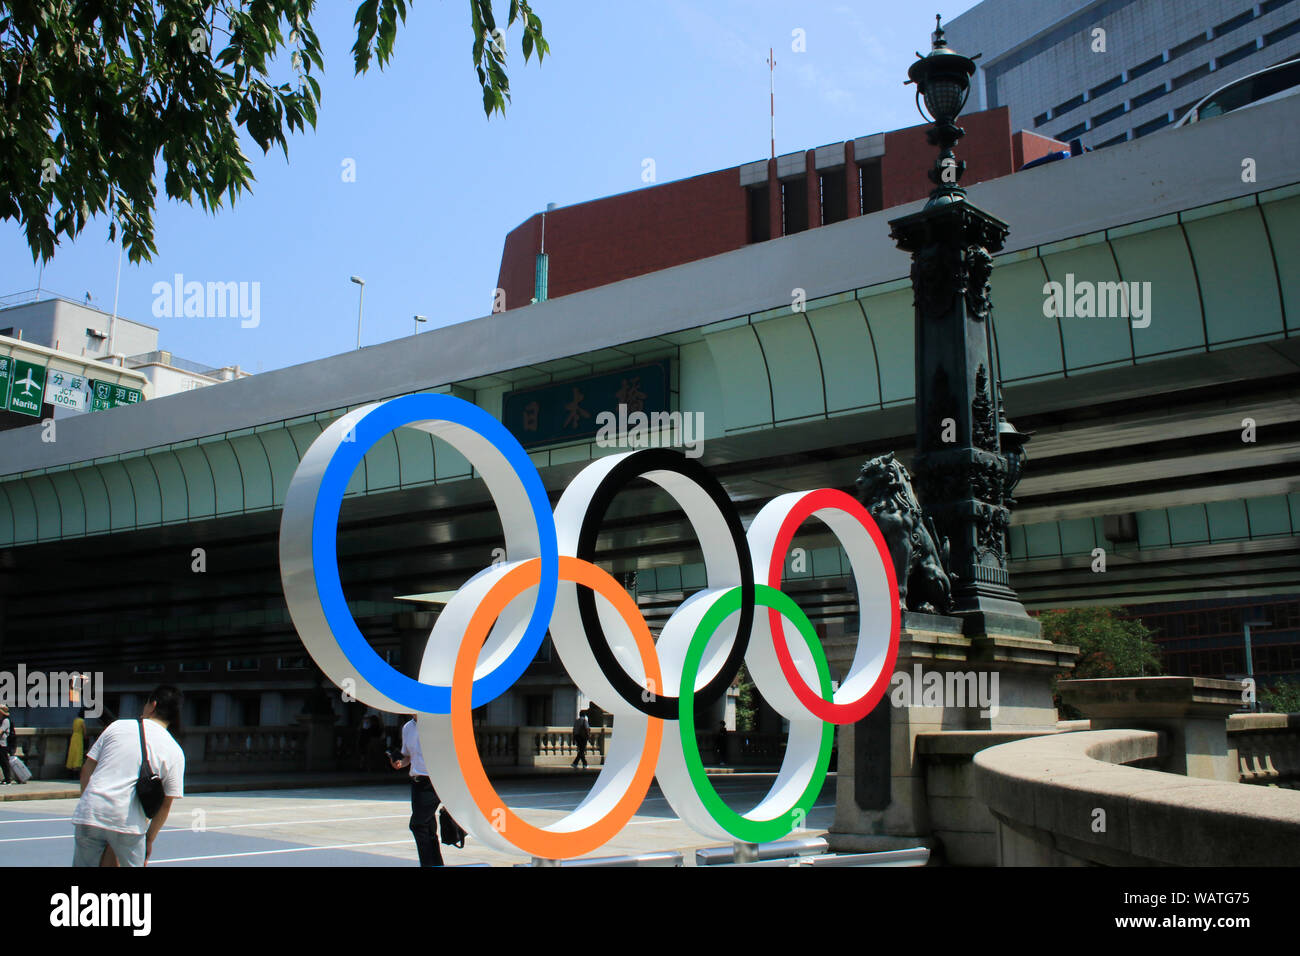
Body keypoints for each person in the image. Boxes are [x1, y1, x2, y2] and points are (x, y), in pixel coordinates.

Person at [70, 686, 185, 868]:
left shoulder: (117, 726)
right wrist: (149, 839)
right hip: (128, 820)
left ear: (152, 705)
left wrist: (88, 801)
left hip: (91, 810)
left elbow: (87, 770)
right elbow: (166, 803)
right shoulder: (175, 751)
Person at [389, 715, 443, 867]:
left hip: (434, 781)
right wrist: (400, 763)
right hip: (417, 782)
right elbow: (408, 755)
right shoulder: (408, 727)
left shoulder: (438, 724)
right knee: (428, 828)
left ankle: (427, 864)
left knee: (418, 825)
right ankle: (436, 864)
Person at [66, 706, 87, 778]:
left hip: (73, 737)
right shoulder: (82, 721)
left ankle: (70, 770)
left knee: (72, 753)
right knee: (78, 754)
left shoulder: (75, 720)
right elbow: (84, 731)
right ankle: (76, 771)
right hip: (79, 738)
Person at [0, 705, 15, 785]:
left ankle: (8, 779)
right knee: (3, 763)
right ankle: (6, 778)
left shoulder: (6, 721)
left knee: (4, 762)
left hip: (2, 745)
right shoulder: (1, 720)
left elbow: (1, 731)